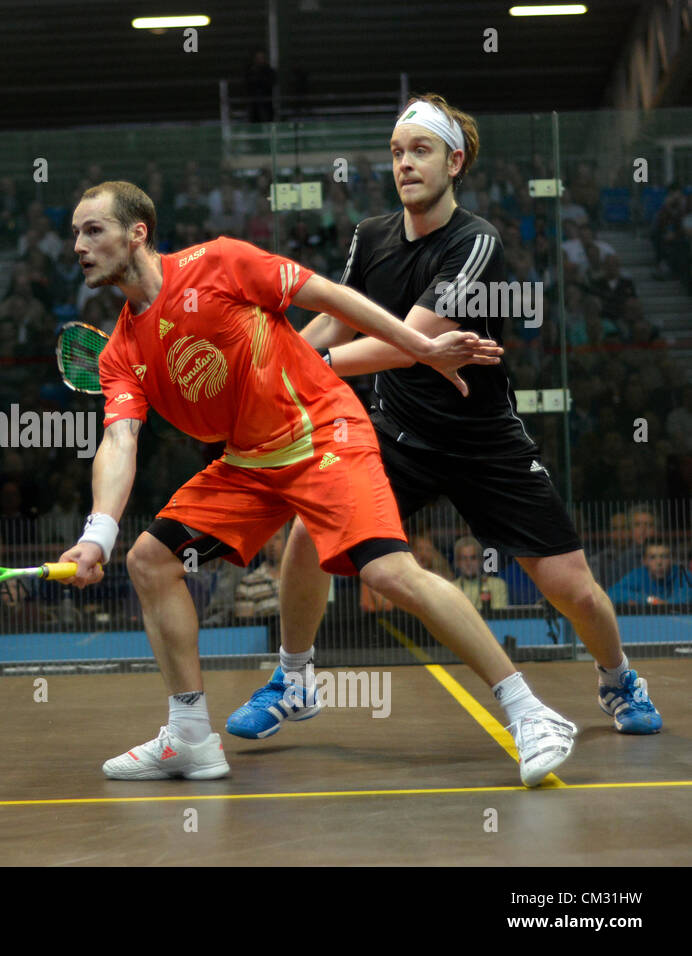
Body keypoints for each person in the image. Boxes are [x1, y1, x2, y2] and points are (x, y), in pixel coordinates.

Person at [58, 180, 577, 787]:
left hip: (323, 432)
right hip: (250, 462)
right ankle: (191, 737)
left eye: (92, 230)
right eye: (74, 234)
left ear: (137, 233)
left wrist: (419, 347)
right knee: (149, 560)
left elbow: (332, 297)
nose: (79, 245)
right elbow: (120, 441)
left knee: (387, 572)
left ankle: (529, 712)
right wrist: (97, 536)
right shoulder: (120, 350)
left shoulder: (220, 261)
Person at [241, 94, 661, 737]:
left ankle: (617, 677)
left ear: (454, 161)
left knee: (572, 589)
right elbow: (339, 318)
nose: (405, 164)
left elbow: (409, 344)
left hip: (484, 445)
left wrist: (309, 370)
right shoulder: (371, 235)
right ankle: (294, 679)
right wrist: (279, 356)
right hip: (397, 436)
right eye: (397, 153)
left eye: (421, 151)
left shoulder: (476, 243)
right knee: (307, 533)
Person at [608, 541, 692, 608]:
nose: (659, 562)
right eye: (653, 557)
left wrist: (640, 601)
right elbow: (612, 593)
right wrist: (650, 600)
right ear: (644, 561)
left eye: (664, 556)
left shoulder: (684, 575)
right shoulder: (638, 574)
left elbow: (684, 600)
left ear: (672, 559)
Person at [452, 535, 509, 612]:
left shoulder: (497, 584)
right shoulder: (450, 587)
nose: (468, 563)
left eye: (473, 558)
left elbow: (499, 617)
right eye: (463, 558)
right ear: (457, 562)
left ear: (481, 560)